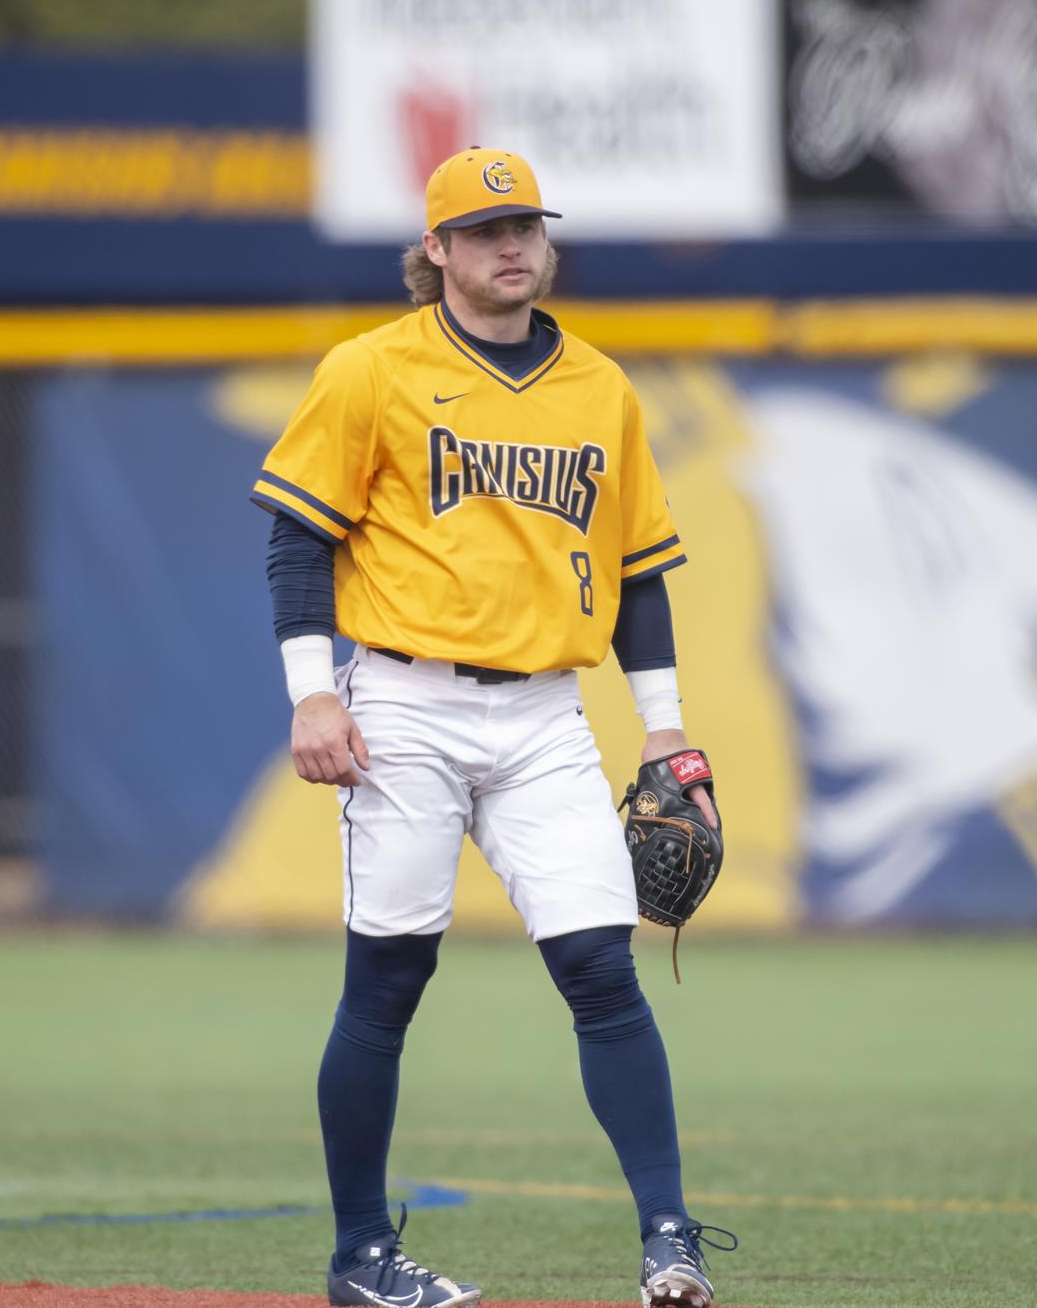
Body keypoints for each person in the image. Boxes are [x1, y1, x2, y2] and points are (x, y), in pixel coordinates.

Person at [250, 147, 730, 1308]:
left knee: (600, 969)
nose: (510, 246)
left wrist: (664, 733)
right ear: (437, 254)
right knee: (386, 983)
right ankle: (359, 1257)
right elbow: (297, 540)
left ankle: (668, 1238)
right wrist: (311, 692)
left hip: (543, 714)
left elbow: (639, 576)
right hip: (401, 706)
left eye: (525, 227)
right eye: (483, 230)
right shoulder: (370, 370)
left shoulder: (601, 388)